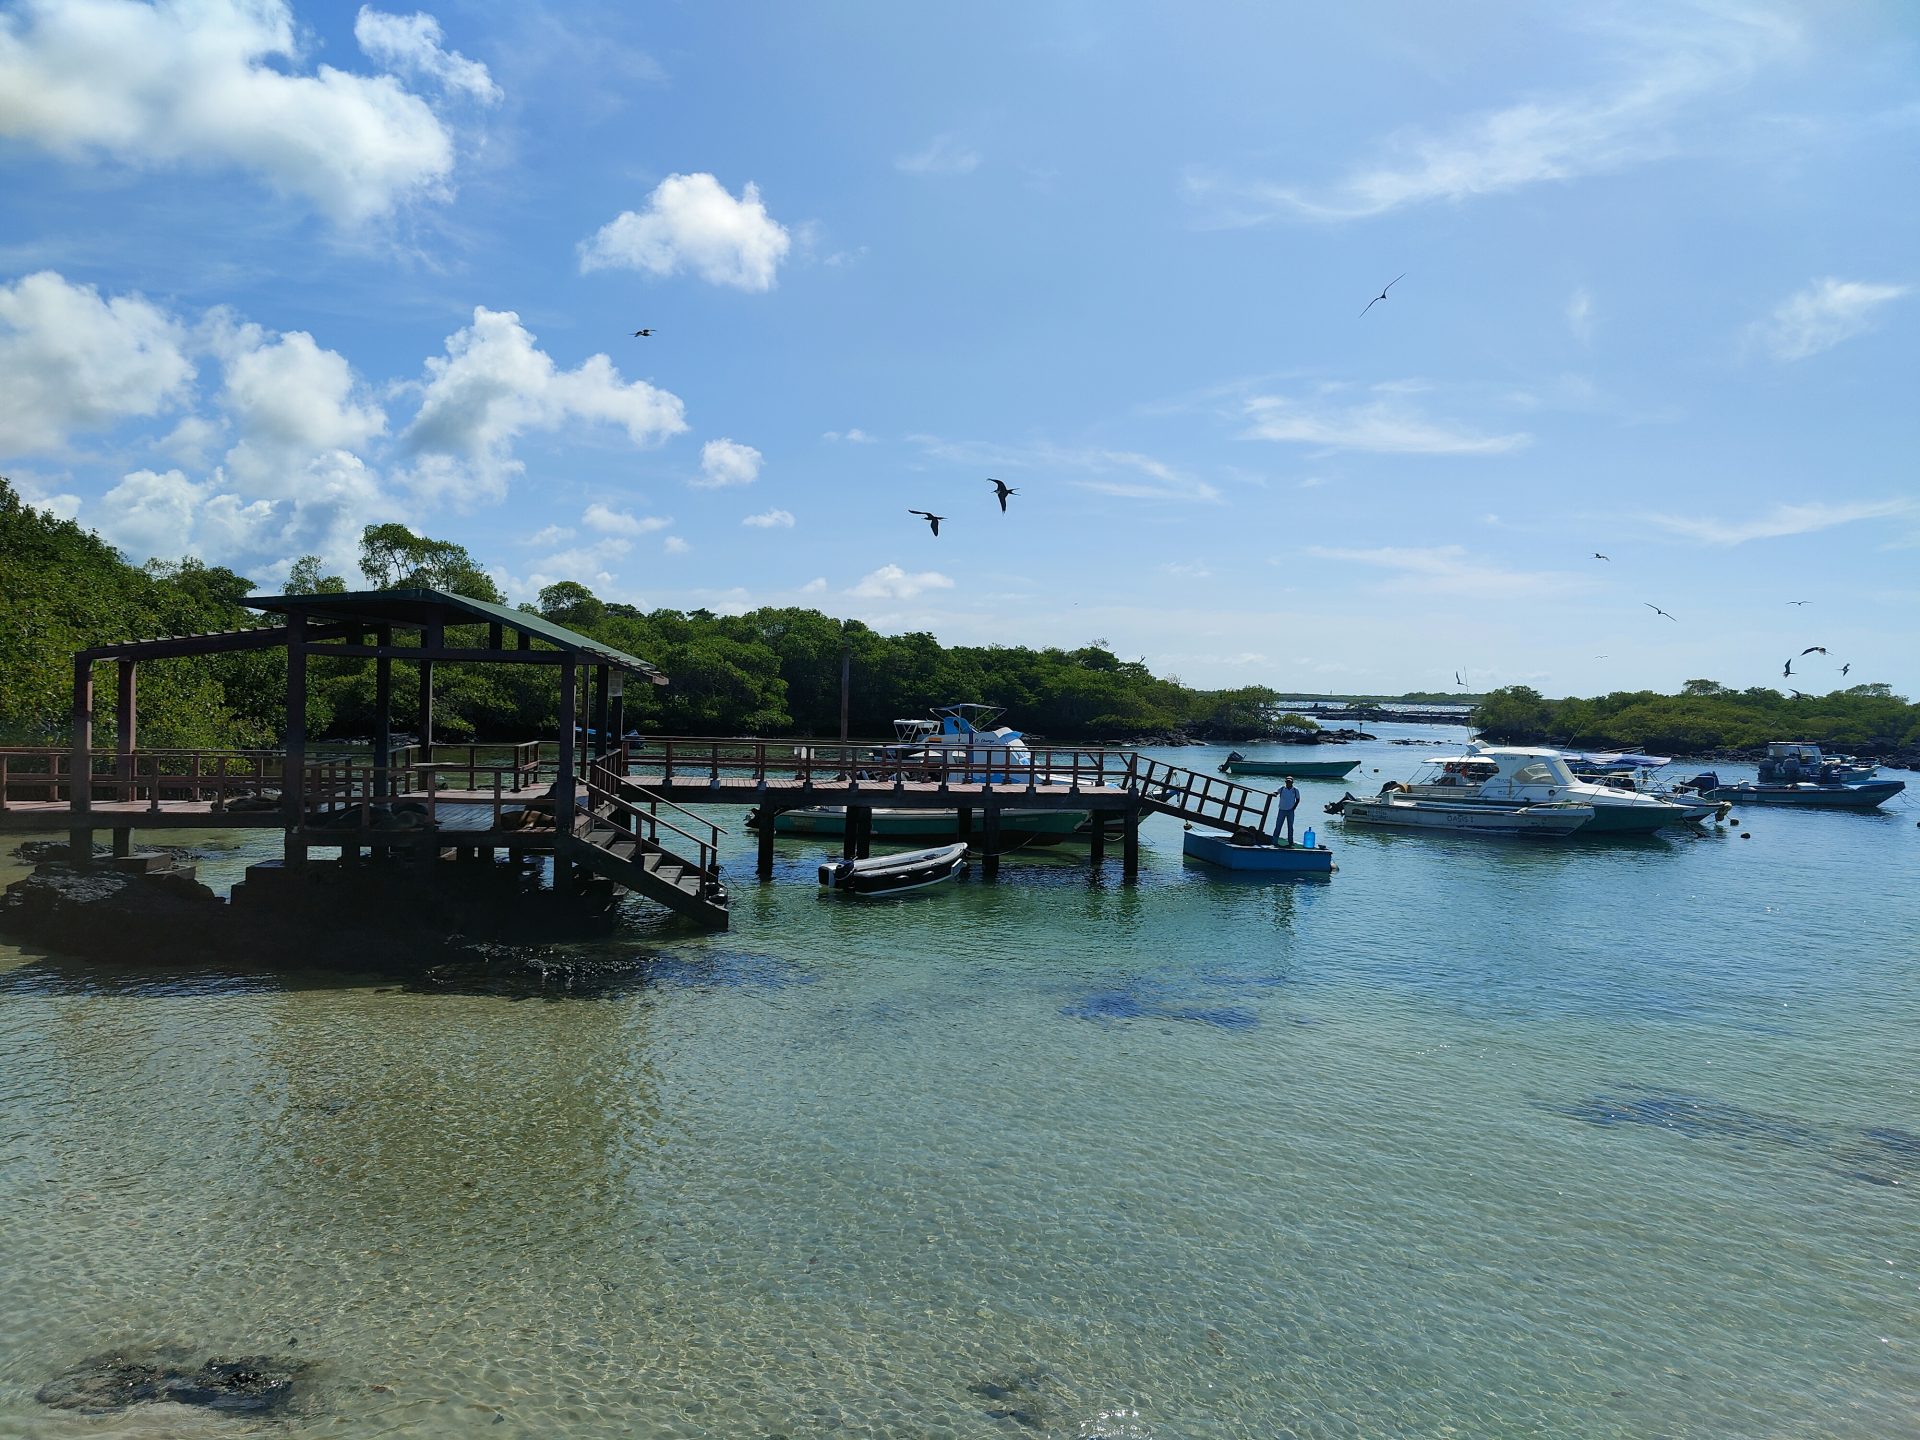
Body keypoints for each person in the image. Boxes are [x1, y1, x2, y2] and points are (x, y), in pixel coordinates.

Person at [1273, 776, 1301, 845]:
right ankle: (1274, 841)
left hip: (1290, 811)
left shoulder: (1295, 790)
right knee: (1278, 826)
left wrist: (1294, 808)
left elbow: (1298, 799)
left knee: (1290, 827)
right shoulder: (1282, 788)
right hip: (1281, 810)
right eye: (1287, 781)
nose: (1288, 783)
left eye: (1290, 782)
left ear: (1292, 782)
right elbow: (1276, 792)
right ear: (1285, 782)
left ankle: (1290, 842)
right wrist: (1273, 794)